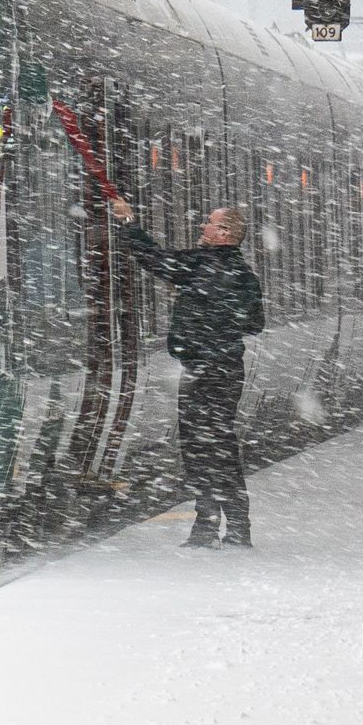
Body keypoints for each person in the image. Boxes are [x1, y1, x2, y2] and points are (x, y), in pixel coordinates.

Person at [109, 197, 266, 548]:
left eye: (209, 223)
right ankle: (234, 525)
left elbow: (155, 260)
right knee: (219, 445)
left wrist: (129, 222)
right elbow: (256, 322)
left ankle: (210, 525)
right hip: (226, 369)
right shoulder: (244, 275)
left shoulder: (204, 265)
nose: (202, 227)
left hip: (203, 371)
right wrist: (224, 326)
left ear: (224, 232)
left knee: (201, 447)